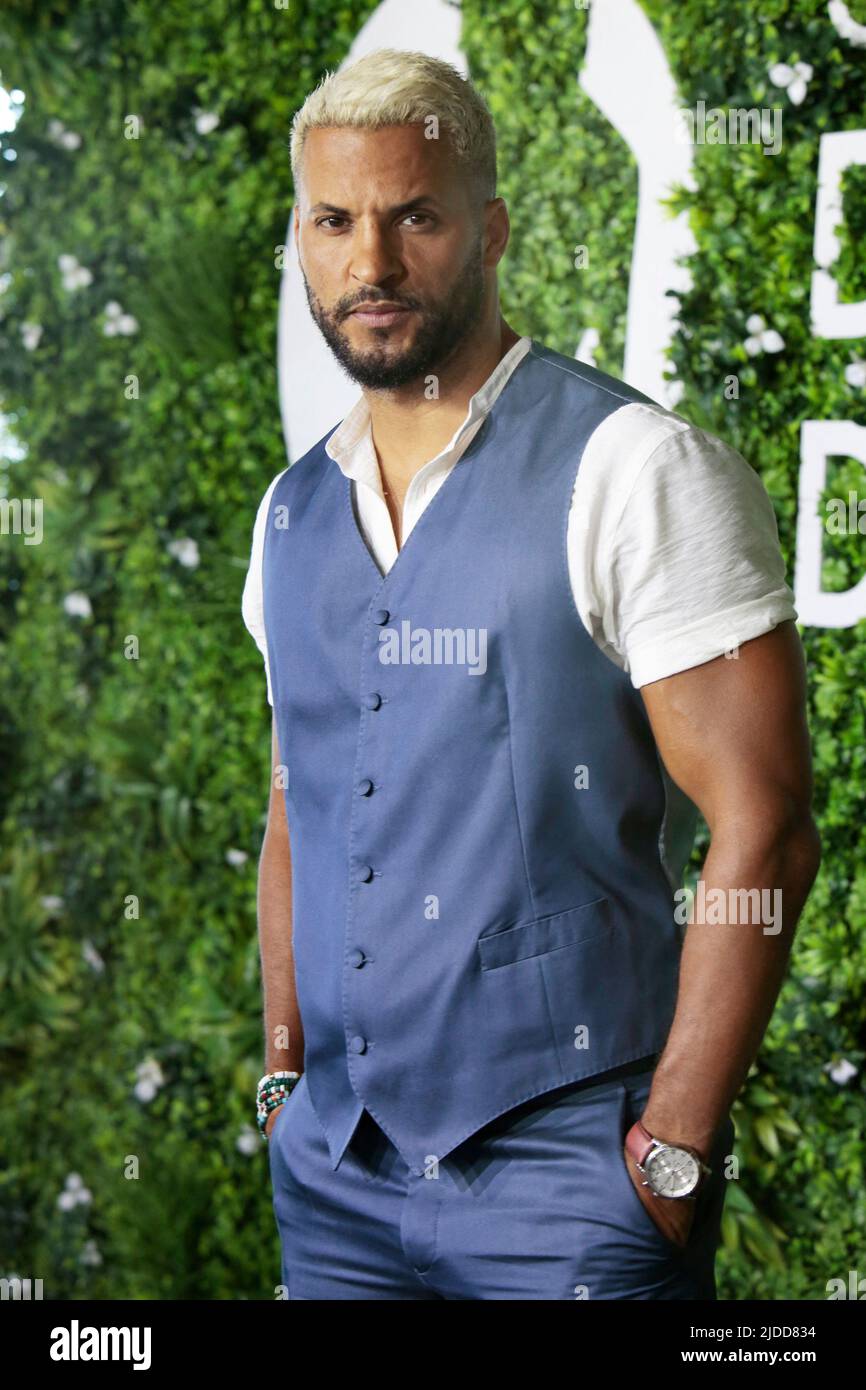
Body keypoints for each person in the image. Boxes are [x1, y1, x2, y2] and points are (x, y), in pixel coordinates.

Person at [241, 48, 821, 1300]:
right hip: (333, 1178)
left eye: (415, 217)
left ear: (489, 230)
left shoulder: (633, 468)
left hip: (567, 1180)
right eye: (334, 222)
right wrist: (284, 1071)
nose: (371, 264)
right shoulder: (288, 514)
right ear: (299, 237)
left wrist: (668, 1152)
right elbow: (303, 797)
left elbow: (763, 827)